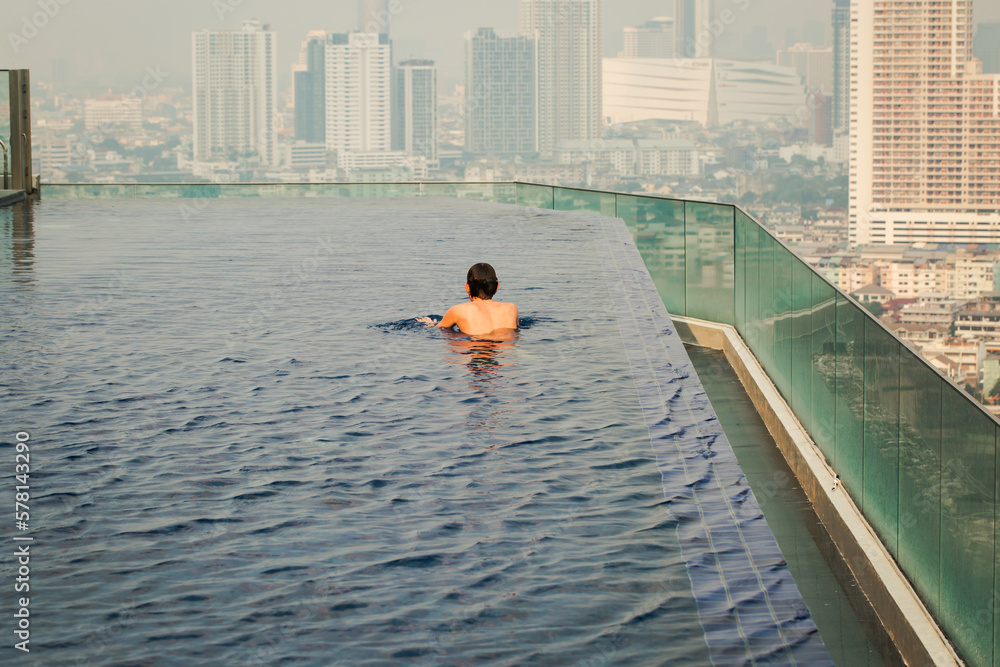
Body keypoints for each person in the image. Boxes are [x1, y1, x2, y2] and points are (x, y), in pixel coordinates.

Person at [417, 263, 518, 336]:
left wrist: (428, 323)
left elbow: (438, 329)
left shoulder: (457, 310)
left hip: (475, 348)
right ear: (497, 287)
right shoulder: (511, 308)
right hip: (506, 355)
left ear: (467, 287)